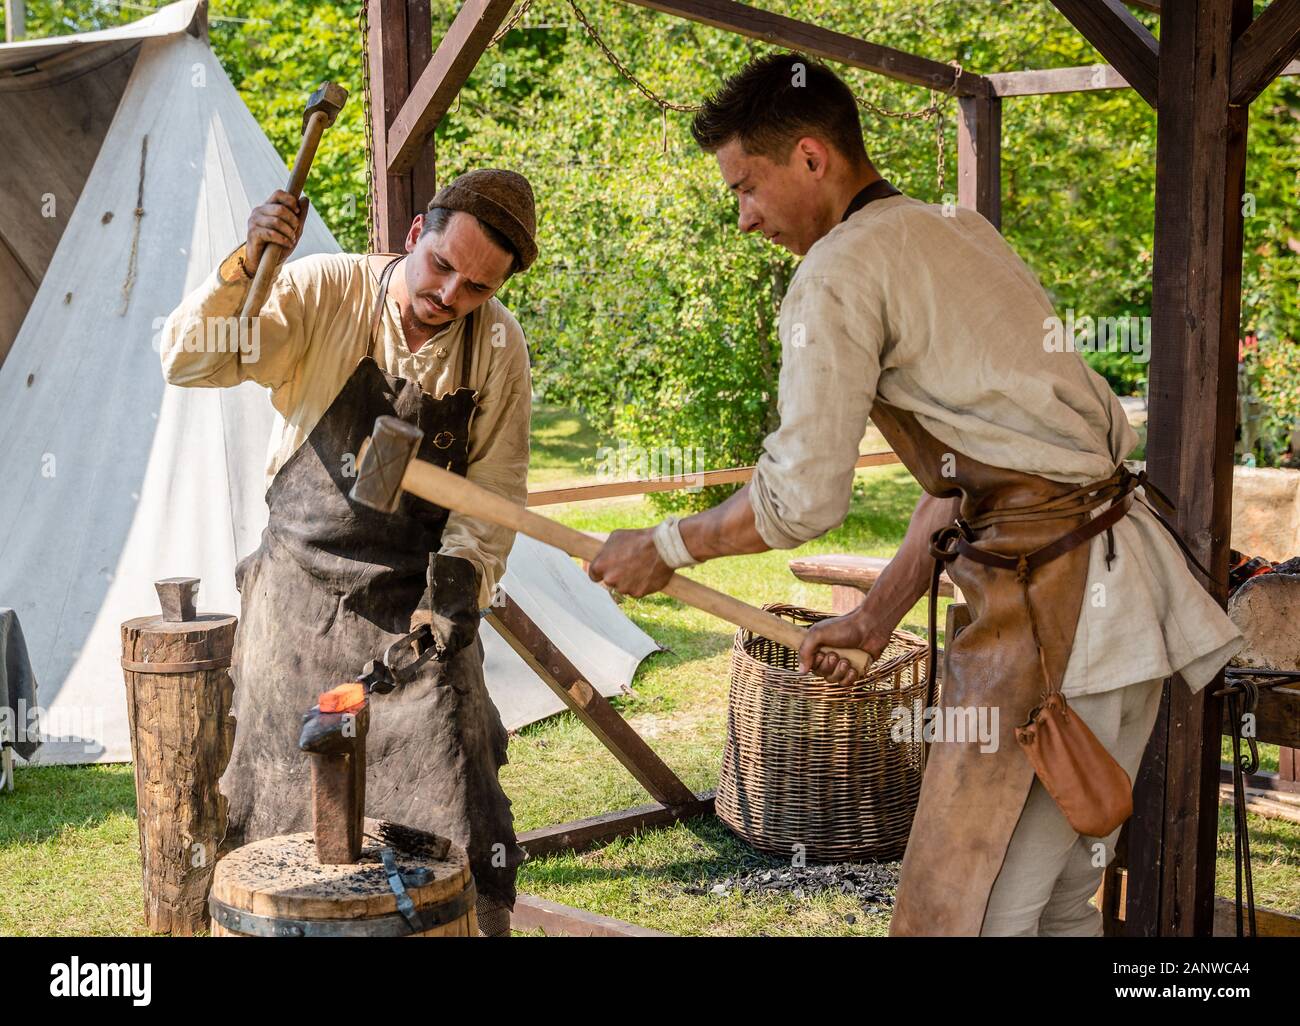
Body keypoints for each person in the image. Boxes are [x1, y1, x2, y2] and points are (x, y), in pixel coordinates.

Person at [587, 54, 1242, 936]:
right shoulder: (956, 229)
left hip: (1055, 631)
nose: (744, 218)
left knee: (973, 920)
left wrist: (664, 547)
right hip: (1129, 609)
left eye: (747, 187)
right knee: (1059, 909)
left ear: (811, 159)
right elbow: (966, 481)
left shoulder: (838, 271)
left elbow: (800, 501)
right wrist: (871, 616)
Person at [160, 169, 538, 936]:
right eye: (441, 267)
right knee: (279, 792)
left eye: (475, 287)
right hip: (297, 589)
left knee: (457, 792)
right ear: (413, 238)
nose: (449, 294)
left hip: (416, 603)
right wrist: (245, 264)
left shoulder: (497, 346)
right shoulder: (324, 290)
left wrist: (459, 584)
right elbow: (192, 360)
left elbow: (494, 491)